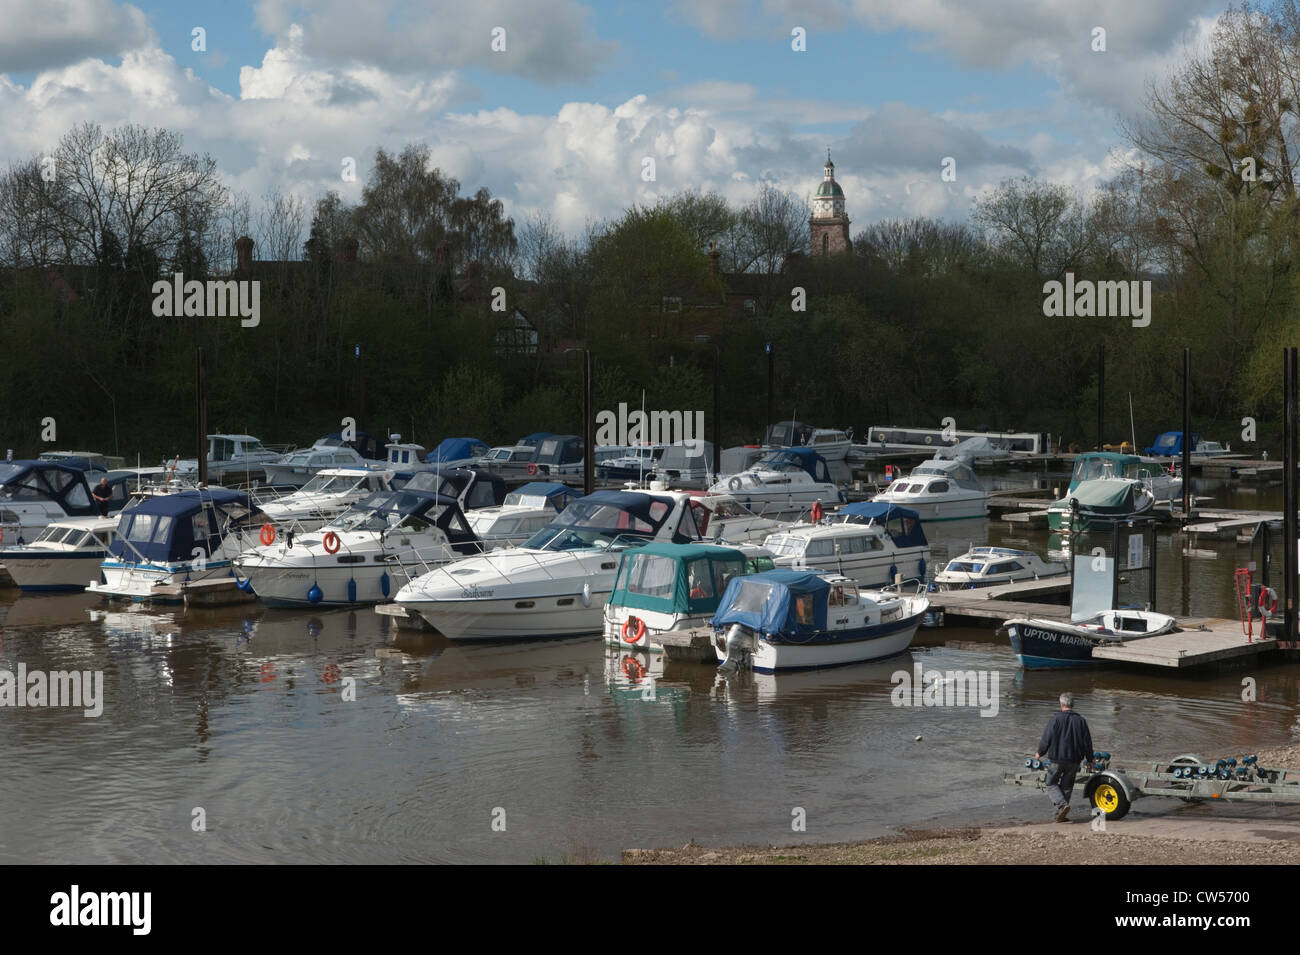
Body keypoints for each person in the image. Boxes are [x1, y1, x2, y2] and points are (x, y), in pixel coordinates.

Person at [1034, 692, 1093, 823]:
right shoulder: (1081, 721)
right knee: (1067, 786)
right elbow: (1087, 742)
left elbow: (1046, 737)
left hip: (1057, 759)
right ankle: (1060, 815)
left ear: (1061, 704)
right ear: (1073, 704)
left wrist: (1039, 753)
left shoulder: (1055, 719)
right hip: (1075, 760)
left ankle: (1061, 805)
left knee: (1050, 783)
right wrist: (1090, 760)